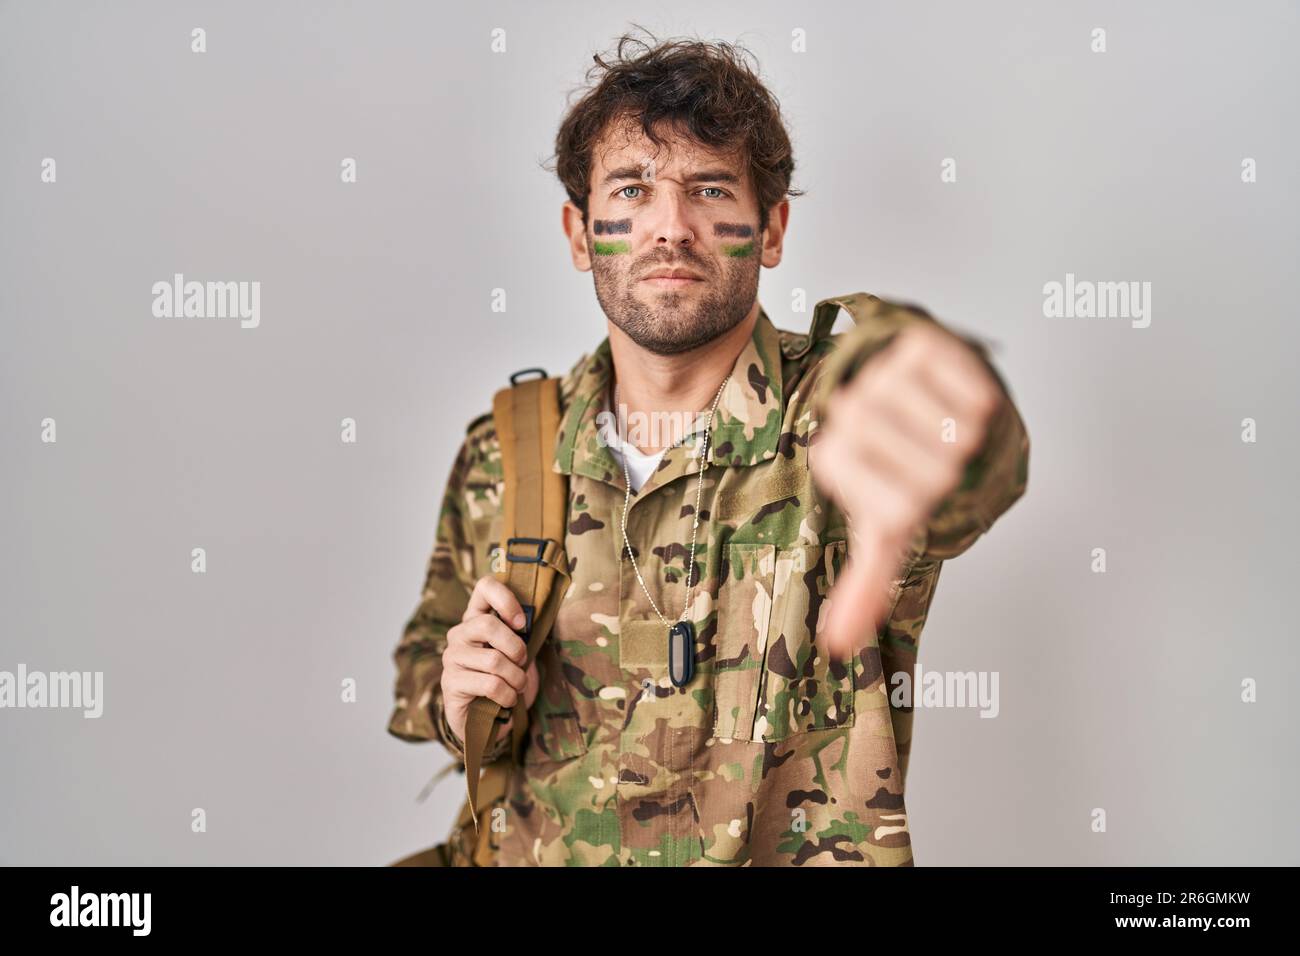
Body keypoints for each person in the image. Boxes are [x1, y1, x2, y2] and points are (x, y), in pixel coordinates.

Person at [388, 32, 1029, 866]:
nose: (671, 227)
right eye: (633, 189)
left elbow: (968, 471)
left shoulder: (839, 419)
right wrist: (465, 693)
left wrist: (961, 415)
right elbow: (420, 675)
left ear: (770, 230)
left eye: (710, 188)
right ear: (581, 236)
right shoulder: (508, 449)